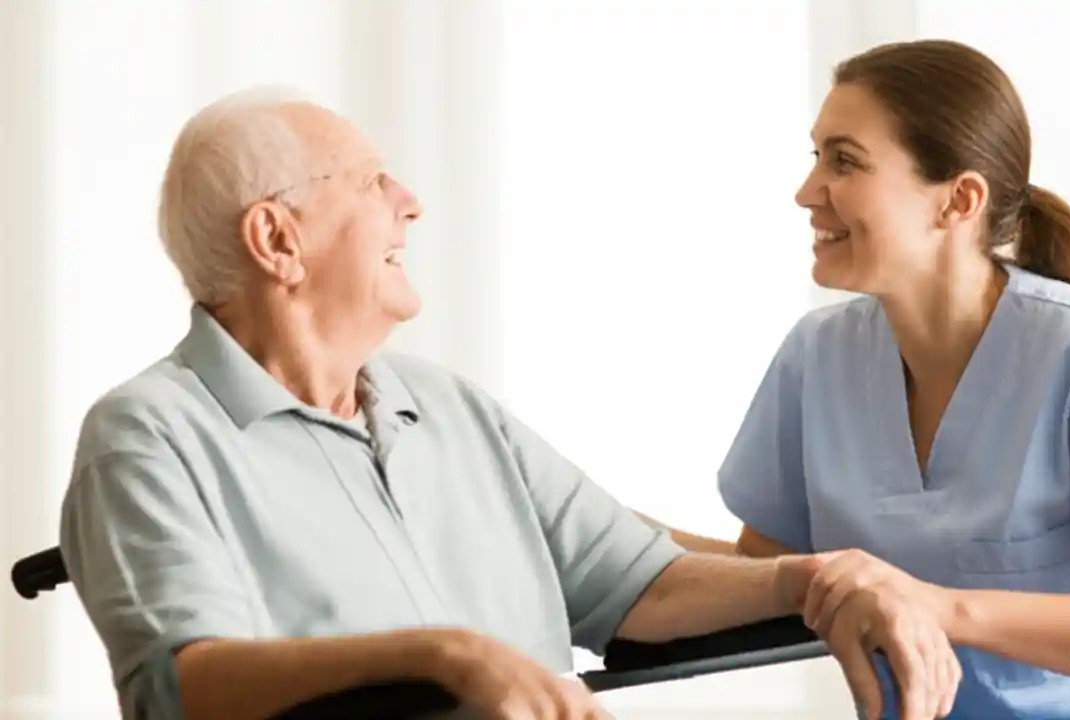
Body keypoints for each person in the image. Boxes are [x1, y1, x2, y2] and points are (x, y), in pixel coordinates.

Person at [58, 89, 827, 720]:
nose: (410, 204)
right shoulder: (148, 434)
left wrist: (823, 581)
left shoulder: (445, 405)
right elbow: (186, 687)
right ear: (276, 239)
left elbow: (640, 583)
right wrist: (441, 655)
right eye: (369, 182)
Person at [656, 39, 1070, 720]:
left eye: (844, 161)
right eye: (815, 155)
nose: (807, 192)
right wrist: (586, 533)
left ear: (957, 201)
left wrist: (942, 607)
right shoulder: (816, 359)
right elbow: (769, 580)